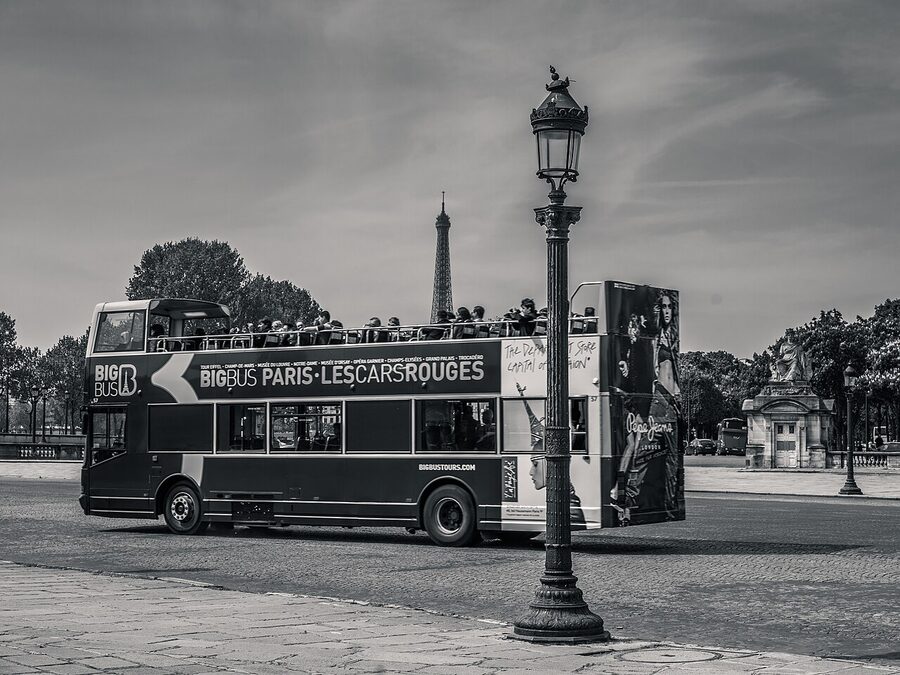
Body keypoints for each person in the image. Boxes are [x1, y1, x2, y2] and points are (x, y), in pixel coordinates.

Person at [654, 292, 680, 397]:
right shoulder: (657, 337)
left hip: (674, 392)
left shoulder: (675, 337)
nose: (667, 311)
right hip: (661, 391)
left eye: (670, 307)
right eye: (664, 307)